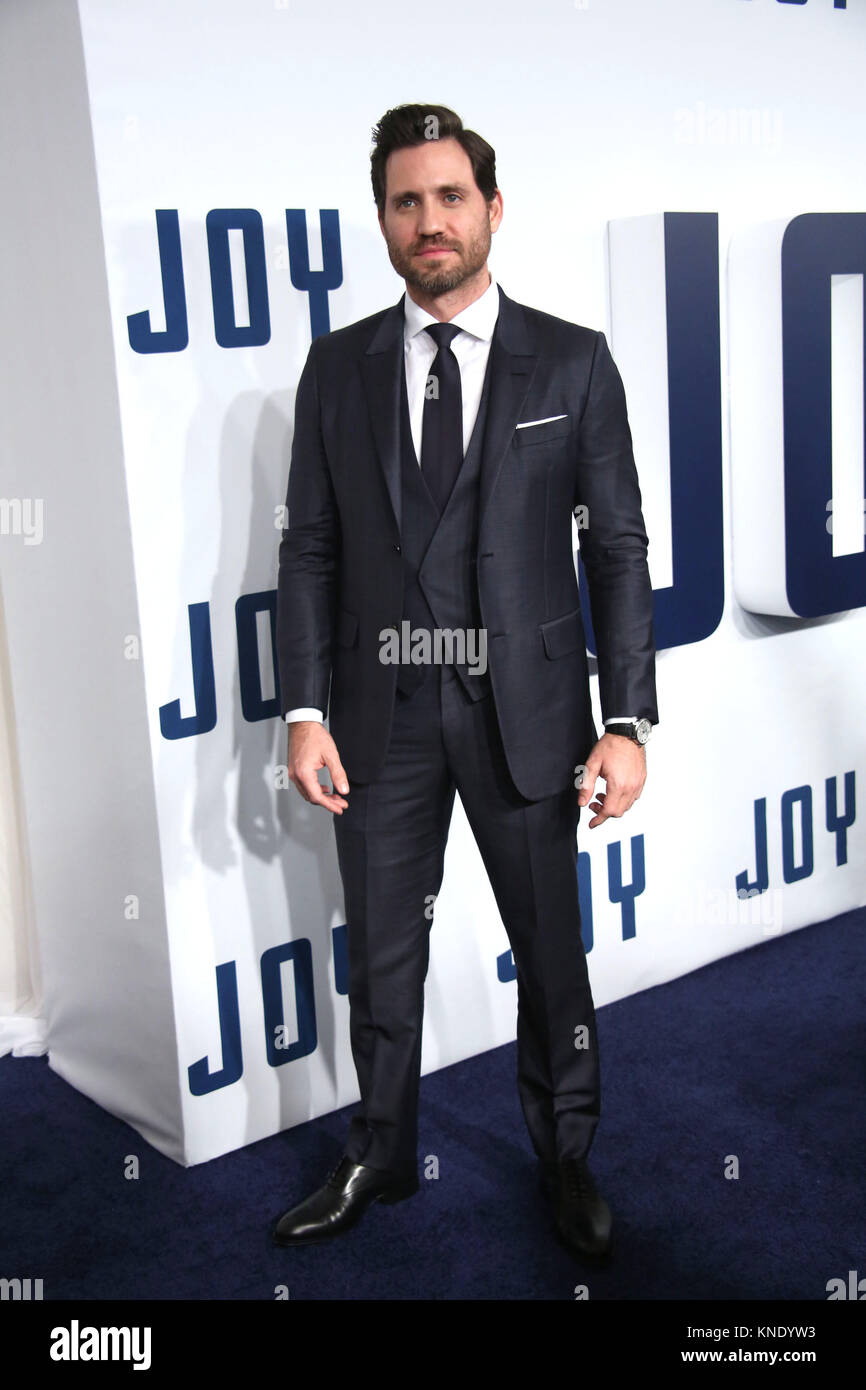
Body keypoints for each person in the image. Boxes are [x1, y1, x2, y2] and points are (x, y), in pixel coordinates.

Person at [272, 103, 657, 1260]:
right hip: (376, 719)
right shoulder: (336, 367)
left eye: (449, 197)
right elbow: (309, 550)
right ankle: (381, 1153)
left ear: (492, 210)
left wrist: (625, 718)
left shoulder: (572, 359)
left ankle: (566, 1154)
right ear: (383, 220)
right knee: (383, 953)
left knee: (551, 955)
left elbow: (619, 548)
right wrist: (301, 709)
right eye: (405, 201)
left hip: (528, 717)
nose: (428, 221)